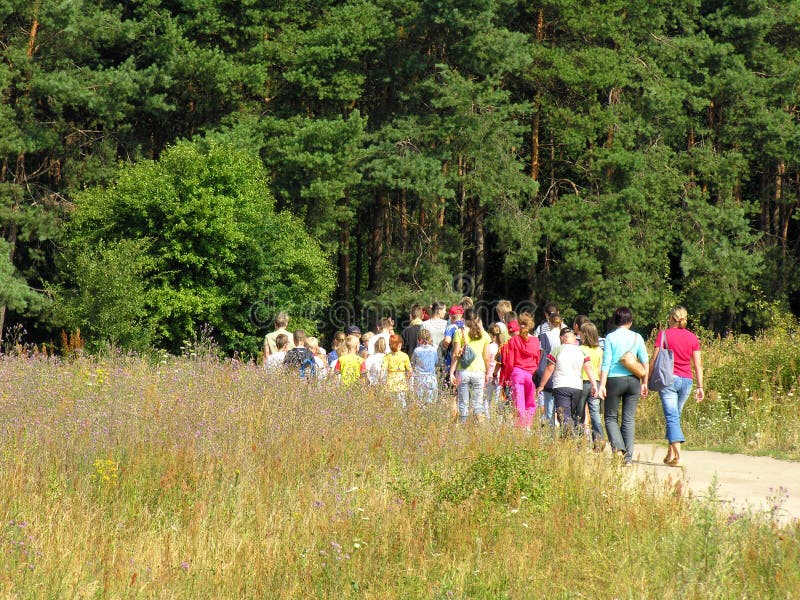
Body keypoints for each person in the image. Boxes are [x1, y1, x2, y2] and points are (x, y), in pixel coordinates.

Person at [651, 306, 705, 467]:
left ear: (672, 318)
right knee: (675, 416)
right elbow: (698, 364)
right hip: (687, 381)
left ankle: (679, 456)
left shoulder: (664, 334)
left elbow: (654, 358)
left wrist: (646, 377)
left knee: (672, 417)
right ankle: (670, 453)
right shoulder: (692, 337)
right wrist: (700, 386)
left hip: (669, 380)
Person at [598, 307, 649, 466]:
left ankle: (619, 449)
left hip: (614, 380)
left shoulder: (610, 337)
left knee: (610, 417)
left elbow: (606, 363)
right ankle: (628, 459)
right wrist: (645, 382)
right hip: (633, 380)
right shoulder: (637, 337)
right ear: (630, 321)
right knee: (629, 419)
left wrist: (602, 385)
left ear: (615, 321)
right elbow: (645, 362)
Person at [538, 327, 597, 436]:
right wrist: (594, 385)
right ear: (575, 340)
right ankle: (574, 437)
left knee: (564, 414)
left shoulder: (557, 349)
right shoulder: (582, 351)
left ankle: (569, 437)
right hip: (577, 387)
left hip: (561, 386)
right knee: (573, 414)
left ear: (563, 339)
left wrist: (541, 385)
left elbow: (550, 368)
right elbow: (588, 368)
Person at [498, 314, 540, 429]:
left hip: (517, 374)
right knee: (530, 402)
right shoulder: (536, 341)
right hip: (531, 374)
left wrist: (506, 378)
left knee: (519, 403)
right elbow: (537, 360)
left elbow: (510, 362)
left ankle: (520, 427)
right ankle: (528, 427)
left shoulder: (514, 340)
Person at [450, 308, 492, 423]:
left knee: (463, 403)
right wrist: (488, 373)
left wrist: (451, 372)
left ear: (464, 319)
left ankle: (462, 429)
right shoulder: (485, 335)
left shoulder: (460, 332)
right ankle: (481, 428)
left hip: (463, 371)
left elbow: (456, 354)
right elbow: (487, 357)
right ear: (478, 319)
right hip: (479, 371)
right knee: (478, 404)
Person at [580, 322, 606, 451]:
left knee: (579, 413)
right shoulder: (599, 350)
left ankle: (579, 441)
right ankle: (599, 439)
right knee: (595, 413)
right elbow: (601, 370)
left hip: (582, 382)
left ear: (584, 335)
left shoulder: (581, 349)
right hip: (595, 382)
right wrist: (601, 384)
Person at [382, 334, 412, 407]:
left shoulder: (387, 356)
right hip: (401, 382)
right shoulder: (405, 356)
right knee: (402, 404)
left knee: (391, 405)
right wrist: (407, 379)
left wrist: (382, 382)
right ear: (400, 344)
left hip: (390, 383)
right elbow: (410, 371)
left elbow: (382, 371)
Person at [411, 328, 439, 404]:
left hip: (419, 378)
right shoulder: (434, 350)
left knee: (419, 402)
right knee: (431, 402)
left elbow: (412, 363)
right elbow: (436, 362)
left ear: (419, 339)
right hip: (431, 377)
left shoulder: (417, 350)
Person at [484, 323, 503, 418]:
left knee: (487, 399)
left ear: (490, 334)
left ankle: (487, 418)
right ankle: (499, 420)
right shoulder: (502, 347)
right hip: (500, 375)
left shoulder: (489, 347)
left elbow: (487, 360)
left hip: (490, 374)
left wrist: (486, 373)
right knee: (498, 399)